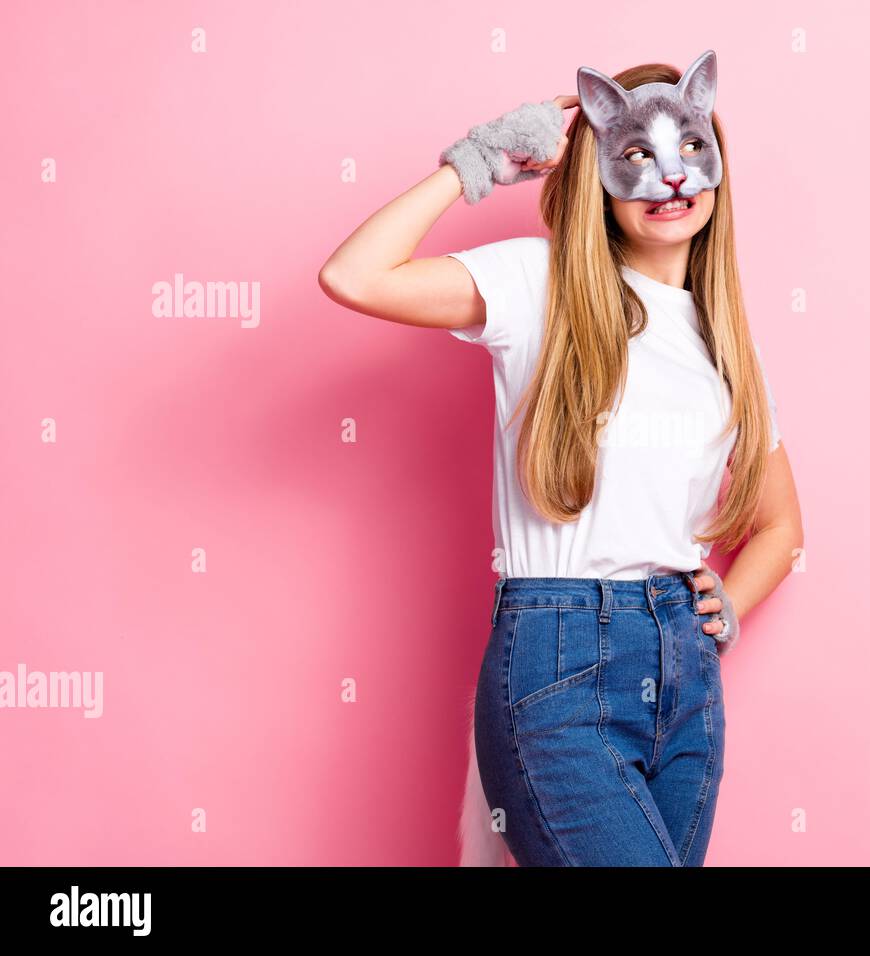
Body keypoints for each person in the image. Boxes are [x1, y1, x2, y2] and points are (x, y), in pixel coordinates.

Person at [318, 58, 803, 866]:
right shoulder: (540, 283)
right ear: (601, 175)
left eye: (689, 144)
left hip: (684, 675)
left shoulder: (726, 343)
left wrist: (724, 604)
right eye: (638, 155)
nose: (671, 176)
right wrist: (473, 163)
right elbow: (352, 275)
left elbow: (784, 524)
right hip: (559, 661)